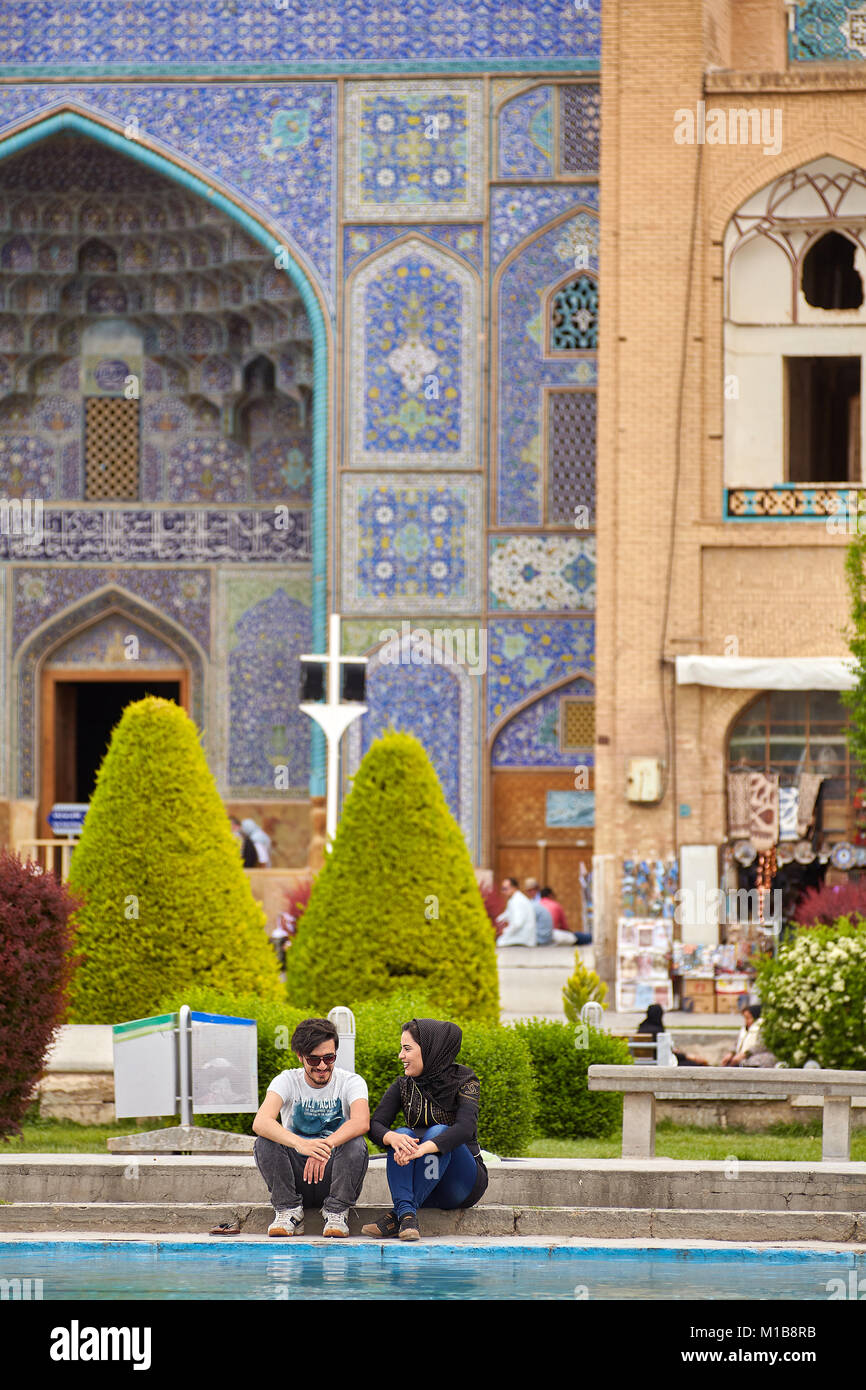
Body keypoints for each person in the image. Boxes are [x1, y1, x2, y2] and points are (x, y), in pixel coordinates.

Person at [362, 1018, 488, 1242]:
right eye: (401, 1049)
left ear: (431, 1049)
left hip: (459, 1185)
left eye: (407, 1048)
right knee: (401, 1135)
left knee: (438, 1132)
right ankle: (407, 1216)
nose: (401, 1055)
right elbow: (375, 1125)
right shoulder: (403, 1085)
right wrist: (392, 1138)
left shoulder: (465, 1080)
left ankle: (398, 1214)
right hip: (423, 1183)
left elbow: (465, 1128)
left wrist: (423, 1150)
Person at [252, 1017, 370, 1238]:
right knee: (264, 1140)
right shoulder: (286, 1080)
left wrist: (324, 1146)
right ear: (300, 1057)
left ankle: (337, 1212)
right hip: (297, 1176)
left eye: (329, 1057)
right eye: (314, 1060)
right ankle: (288, 1211)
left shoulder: (351, 1082)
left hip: (334, 1175)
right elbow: (261, 1121)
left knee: (355, 1142)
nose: (323, 1066)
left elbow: (361, 1121)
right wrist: (302, 1144)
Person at [636, 1003, 708, 1066]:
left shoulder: (642, 1028)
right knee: (694, 1064)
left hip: (646, 1062)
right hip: (661, 1062)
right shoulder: (657, 1031)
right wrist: (687, 1056)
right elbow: (667, 1052)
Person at [721, 1003, 777, 1068]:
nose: (746, 1021)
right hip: (740, 1057)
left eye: (748, 1018)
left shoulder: (763, 1029)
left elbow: (760, 1046)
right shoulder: (744, 1029)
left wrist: (745, 1054)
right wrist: (731, 1053)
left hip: (756, 1058)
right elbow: (736, 1044)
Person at [495, 876, 536, 947]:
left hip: (524, 938)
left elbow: (517, 924)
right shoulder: (514, 899)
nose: (503, 892)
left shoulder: (517, 901)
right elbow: (506, 915)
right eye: (502, 889)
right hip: (521, 935)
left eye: (505, 889)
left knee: (500, 942)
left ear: (514, 888)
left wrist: (503, 931)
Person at [523, 877, 555, 945]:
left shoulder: (542, 901)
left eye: (532, 889)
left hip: (544, 935)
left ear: (537, 888)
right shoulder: (531, 901)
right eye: (528, 890)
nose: (530, 892)